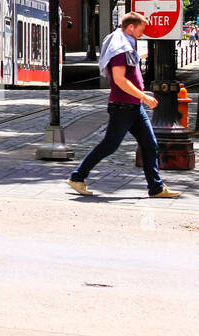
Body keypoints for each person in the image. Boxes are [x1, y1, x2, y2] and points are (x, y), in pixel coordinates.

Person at [68, 12, 181, 199]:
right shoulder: (120, 49)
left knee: (150, 144)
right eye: (140, 30)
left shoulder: (126, 44)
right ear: (131, 27)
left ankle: (156, 187)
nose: (142, 33)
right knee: (109, 146)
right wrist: (143, 96)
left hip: (133, 107)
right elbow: (119, 80)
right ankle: (77, 177)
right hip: (123, 106)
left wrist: (140, 98)